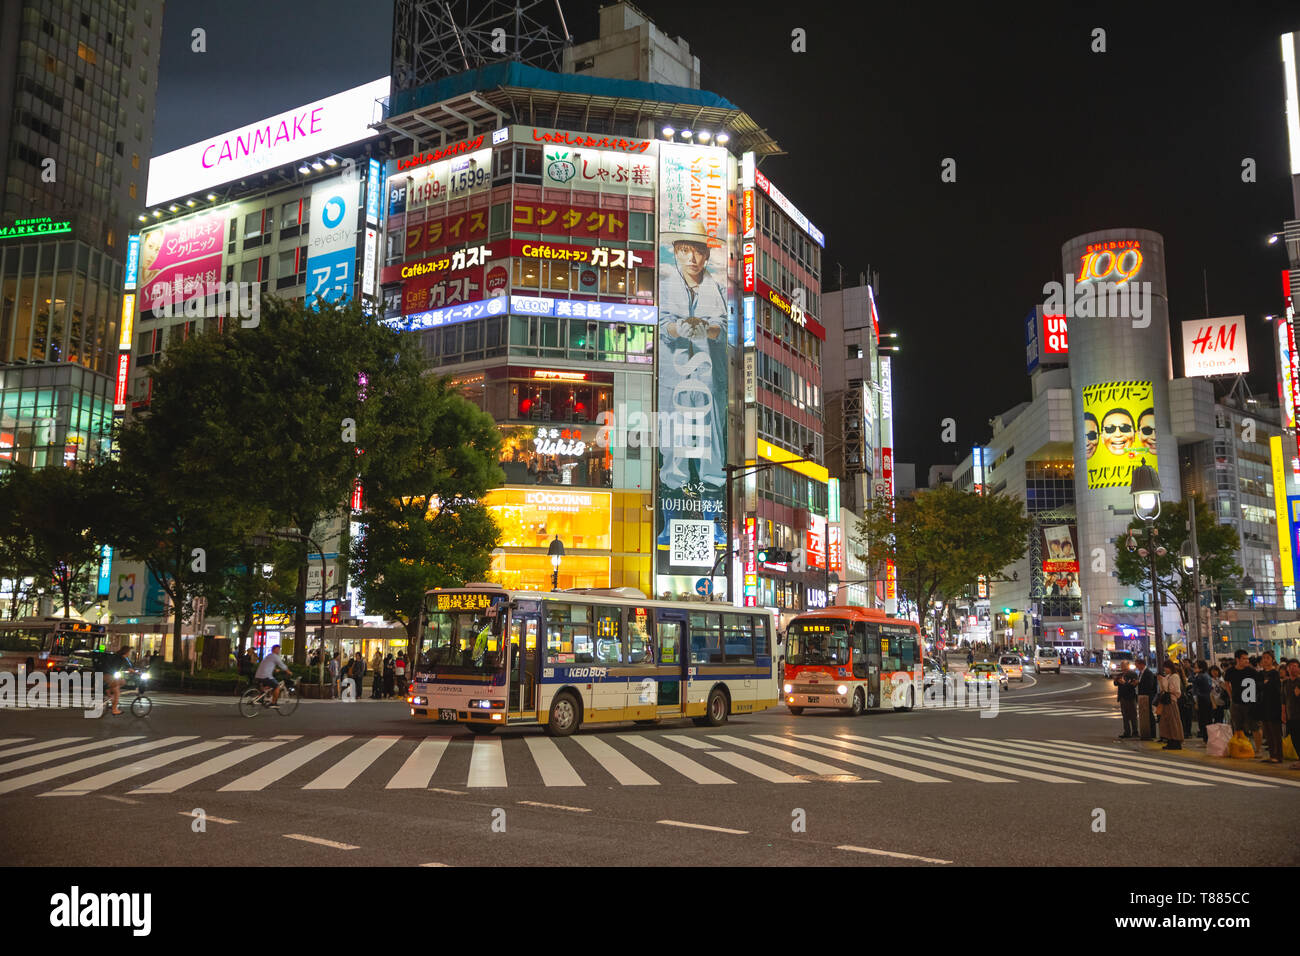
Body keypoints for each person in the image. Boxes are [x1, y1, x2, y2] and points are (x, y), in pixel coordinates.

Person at [1223, 649, 1259, 750]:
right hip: (1236, 702)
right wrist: (1230, 695)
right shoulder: (1230, 671)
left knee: (1254, 726)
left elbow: (1259, 683)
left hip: (1250, 703)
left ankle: (1258, 749)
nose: (1246, 661)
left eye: (1247, 659)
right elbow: (1226, 683)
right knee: (1237, 727)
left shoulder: (1251, 671)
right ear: (1237, 659)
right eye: (1244, 659)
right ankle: (1239, 747)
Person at [1256, 651, 1284, 764]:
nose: (1265, 660)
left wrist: (1264, 684)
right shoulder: (1261, 674)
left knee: (1275, 732)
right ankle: (1272, 755)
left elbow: (1274, 689)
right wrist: (1264, 684)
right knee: (1267, 732)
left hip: (1274, 706)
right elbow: (1257, 686)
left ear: (1272, 659)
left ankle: (1278, 755)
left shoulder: (1275, 673)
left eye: (1267, 658)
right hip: (1263, 706)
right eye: (1263, 658)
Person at [95, 645, 134, 716]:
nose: (130, 653)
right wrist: (137, 673)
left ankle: (108, 691)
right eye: (129, 652)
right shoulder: (122, 658)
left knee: (122, 682)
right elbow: (129, 669)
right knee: (117, 691)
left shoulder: (116, 656)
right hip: (108, 675)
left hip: (103, 673)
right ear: (127, 652)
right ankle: (114, 709)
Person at [1156, 660, 1184, 750]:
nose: (1165, 670)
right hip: (1166, 701)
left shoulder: (1175, 676)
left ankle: (1175, 740)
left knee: (1173, 721)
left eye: (1166, 668)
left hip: (1171, 701)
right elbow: (1163, 689)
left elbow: (1173, 689)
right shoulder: (1168, 676)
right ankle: (1170, 740)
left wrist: (1162, 680)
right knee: (1167, 722)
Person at [1135, 657, 1158, 739]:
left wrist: (1139, 683)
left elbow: (1150, 685)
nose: (1136, 667)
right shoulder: (1141, 673)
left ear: (1142, 665)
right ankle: (1147, 733)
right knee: (1145, 715)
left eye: (1137, 665)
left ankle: (1152, 733)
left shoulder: (1148, 673)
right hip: (1142, 696)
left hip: (1147, 696)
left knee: (1150, 715)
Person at [1283, 658, 1300, 770]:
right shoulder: (1285, 683)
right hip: (1291, 715)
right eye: (1290, 666)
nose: (1293, 668)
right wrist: (1283, 713)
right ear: (1287, 669)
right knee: (1295, 738)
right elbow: (1283, 699)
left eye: (1295, 666)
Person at [1192, 661, 1214, 742]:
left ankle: (1206, 739)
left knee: (1203, 720)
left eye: (1196, 667)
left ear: (1201, 668)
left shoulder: (1200, 677)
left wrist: (1196, 701)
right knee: (1208, 719)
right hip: (1208, 699)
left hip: (1202, 700)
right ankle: (1208, 738)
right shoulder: (1207, 675)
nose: (1194, 668)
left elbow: (1196, 690)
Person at [1115, 666, 1139, 739]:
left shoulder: (1132, 674)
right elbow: (1115, 683)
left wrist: (1124, 683)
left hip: (1130, 697)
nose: (1122, 668)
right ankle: (1127, 732)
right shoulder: (1120, 675)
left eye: (1124, 665)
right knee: (1125, 716)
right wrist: (1117, 681)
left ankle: (1135, 732)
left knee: (1133, 715)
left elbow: (1133, 685)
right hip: (1122, 697)